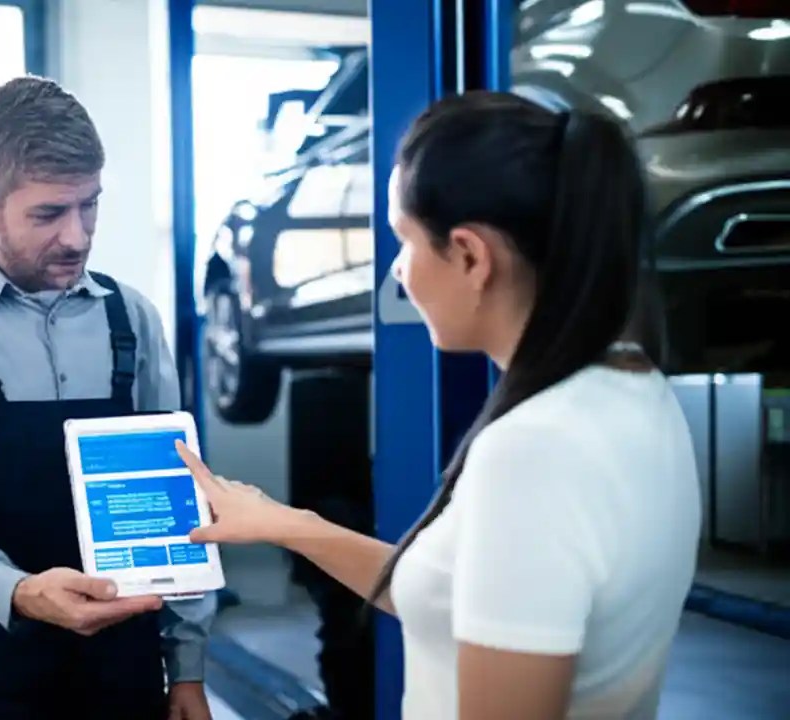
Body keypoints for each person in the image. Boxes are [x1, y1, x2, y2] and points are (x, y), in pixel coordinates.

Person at [174, 91, 701, 719]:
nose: (399, 271)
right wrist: (279, 522)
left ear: (472, 256)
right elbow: (450, 591)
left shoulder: (533, 451)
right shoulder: (633, 390)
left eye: (404, 241)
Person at [0, 76, 216, 720]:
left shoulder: (132, 318)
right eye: (49, 214)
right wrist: (18, 591)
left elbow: (176, 504)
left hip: (126, 662)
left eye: (90, 206)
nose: (78, 237)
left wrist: (186, 668)